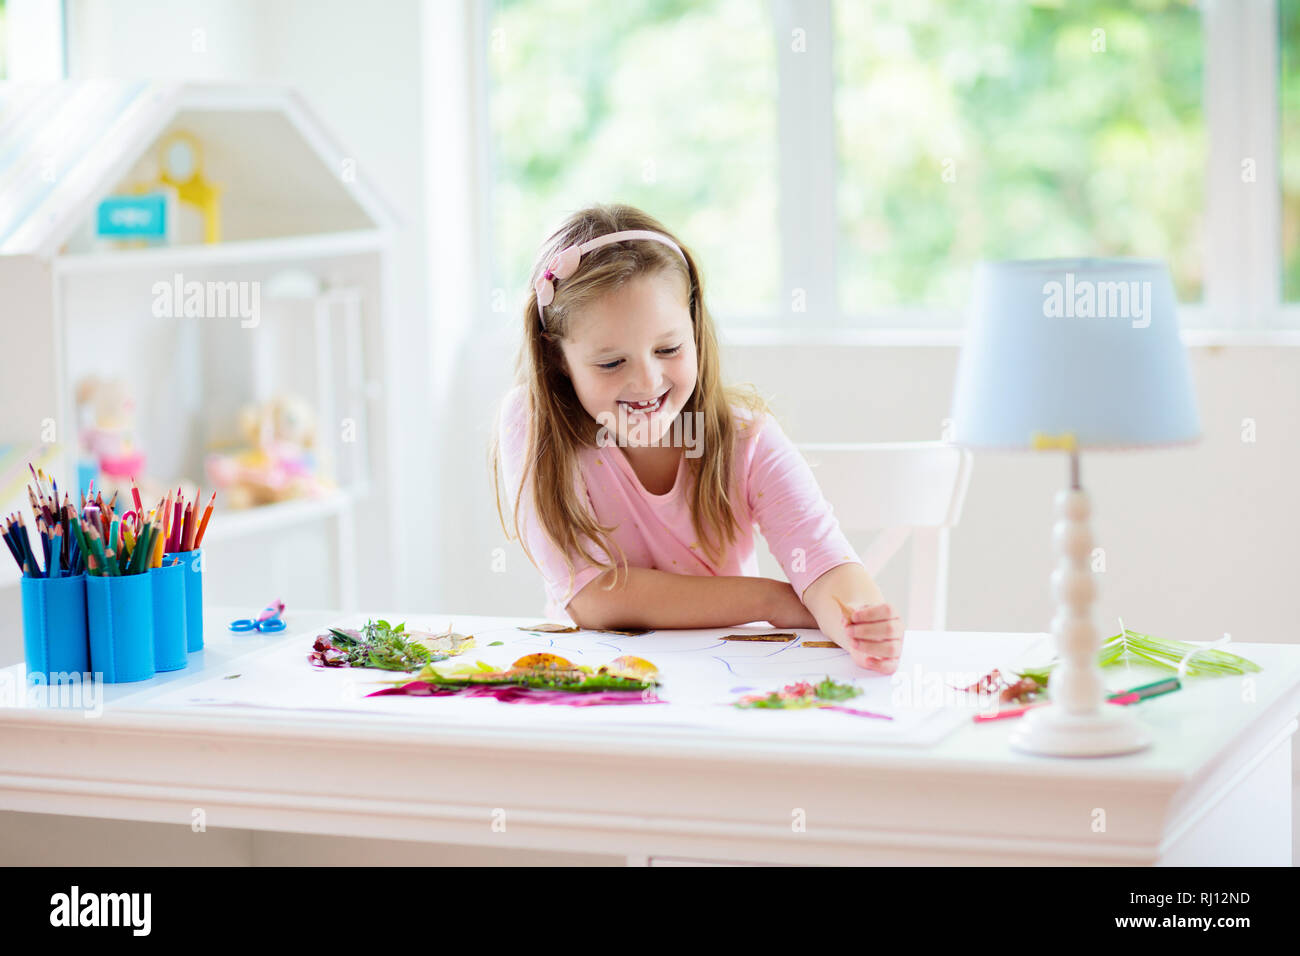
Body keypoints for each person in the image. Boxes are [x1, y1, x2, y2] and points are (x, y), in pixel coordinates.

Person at [489, 203, 902, 673]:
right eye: (610, 363)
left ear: (694, 328)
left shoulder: (743, 438)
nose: (646, 381)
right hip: (594, 682)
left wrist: (858, 620)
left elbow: (824, 562)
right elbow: (593, 597)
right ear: (559, 357)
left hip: (724, 679)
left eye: (668, 349)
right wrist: (769, 599)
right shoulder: (534, 423)